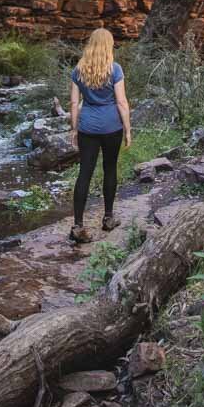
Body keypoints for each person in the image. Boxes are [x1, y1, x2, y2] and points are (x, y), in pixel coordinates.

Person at [69, 27, 132, 244]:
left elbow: (74, 103)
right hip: (111, 126)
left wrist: (74, 129)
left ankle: (77, 225)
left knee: (84, 173)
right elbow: (122, 102)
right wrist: (128, 129)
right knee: (110, 169)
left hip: (87, 127)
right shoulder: (114, 69)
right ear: (108, 45)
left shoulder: (79, 70)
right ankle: (108, 218)